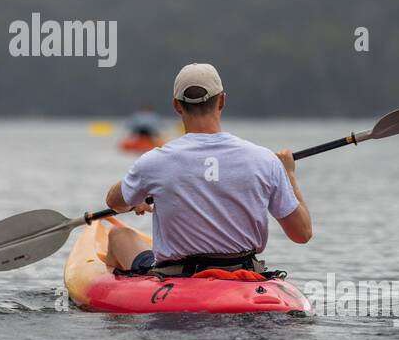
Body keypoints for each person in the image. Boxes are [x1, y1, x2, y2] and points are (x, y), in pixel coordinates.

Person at [102, 63, 312, 274]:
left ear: (177, 105)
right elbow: (302, 234)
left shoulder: (154, 162)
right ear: (222, 100)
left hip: (179, 278)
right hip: (245, 274)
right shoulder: (265, 159)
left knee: (118, 235)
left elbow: (114, 202)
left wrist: (137, 196)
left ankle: (113, 283)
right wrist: (289, 174)